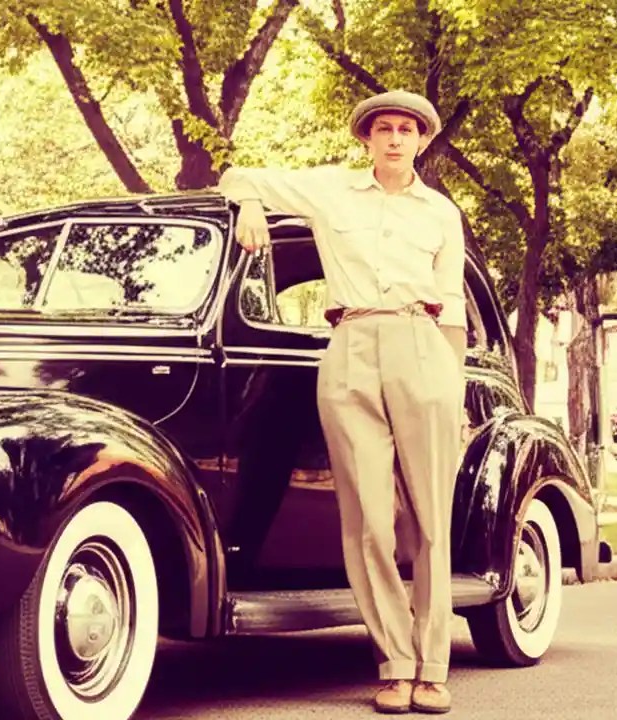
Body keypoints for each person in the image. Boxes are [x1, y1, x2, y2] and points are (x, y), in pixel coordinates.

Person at [216, 90, 466, 715]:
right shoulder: (331, 192)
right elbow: (236, 172)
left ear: (421, 140)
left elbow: (452, 304)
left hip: (421, 343)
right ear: (366, 138)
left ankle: (432, 664)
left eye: (406, 129)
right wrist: (248, 205)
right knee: (367, 522)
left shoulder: (440, 212)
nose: (394, 138)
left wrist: (450, 384)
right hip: (350, 343)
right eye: (383, 128)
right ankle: (394, 662)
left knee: (431, 519)